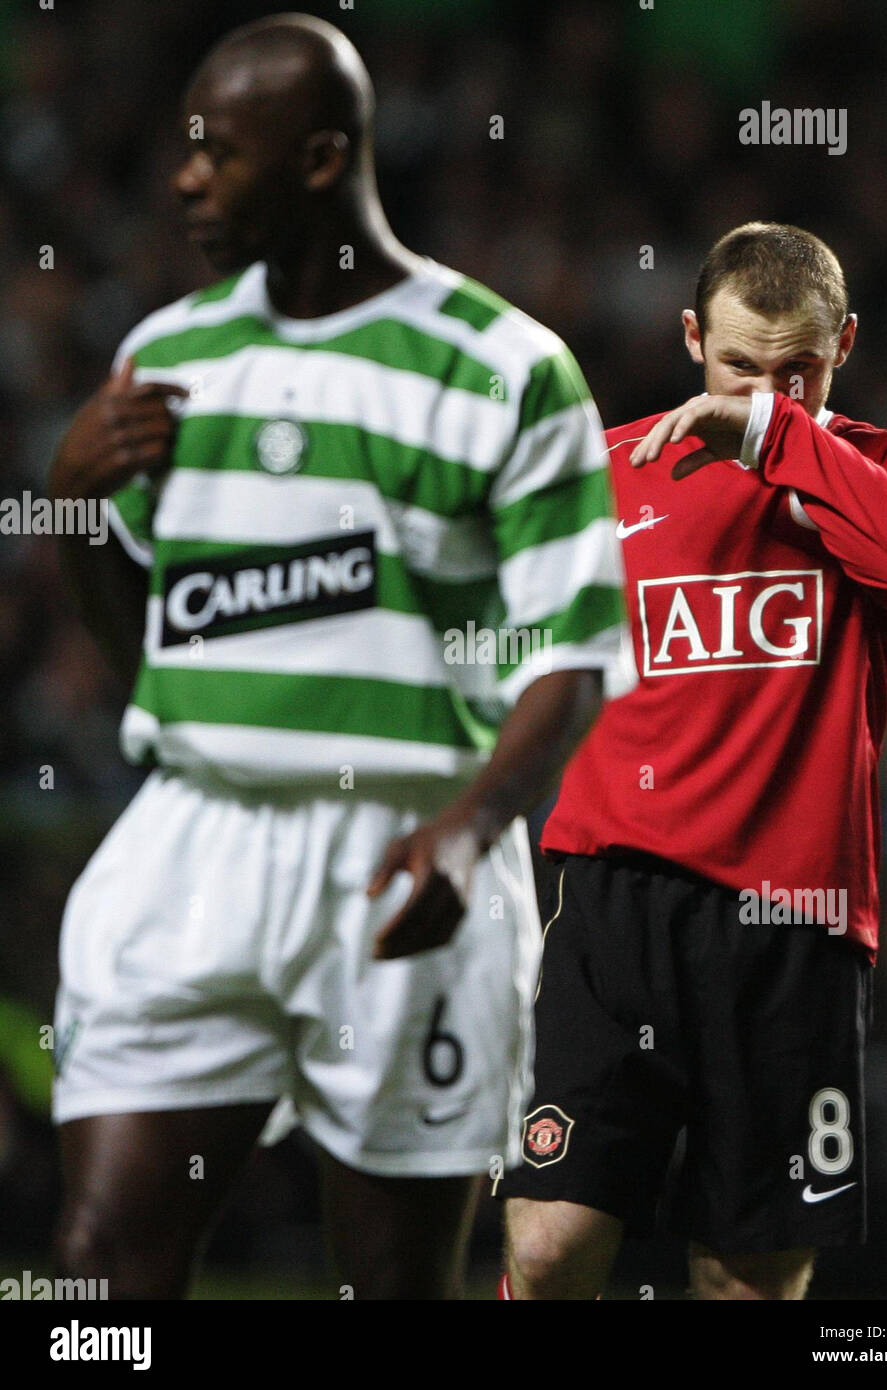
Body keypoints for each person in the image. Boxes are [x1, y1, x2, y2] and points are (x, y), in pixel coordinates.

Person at [47, 14, 627, 1300]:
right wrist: (73, 506)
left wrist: (472, 830)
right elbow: (153, 656)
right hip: (196, 840)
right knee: (97, 1265)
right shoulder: (168, 355)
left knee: (391, 1283)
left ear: (321, 159)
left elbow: (574, 656)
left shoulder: (503, 365)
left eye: (219, 152)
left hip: (409, 850)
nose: (184, 179)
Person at [497, 222, 887, 1300]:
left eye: (796, 372)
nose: (764, 391)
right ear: (691, 338)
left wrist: (771, 435)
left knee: (745, 1277)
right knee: (549, 1245)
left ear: (844, 345)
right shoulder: (608, 471)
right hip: (613, 903)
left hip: (794, 922)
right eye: (739, 366)